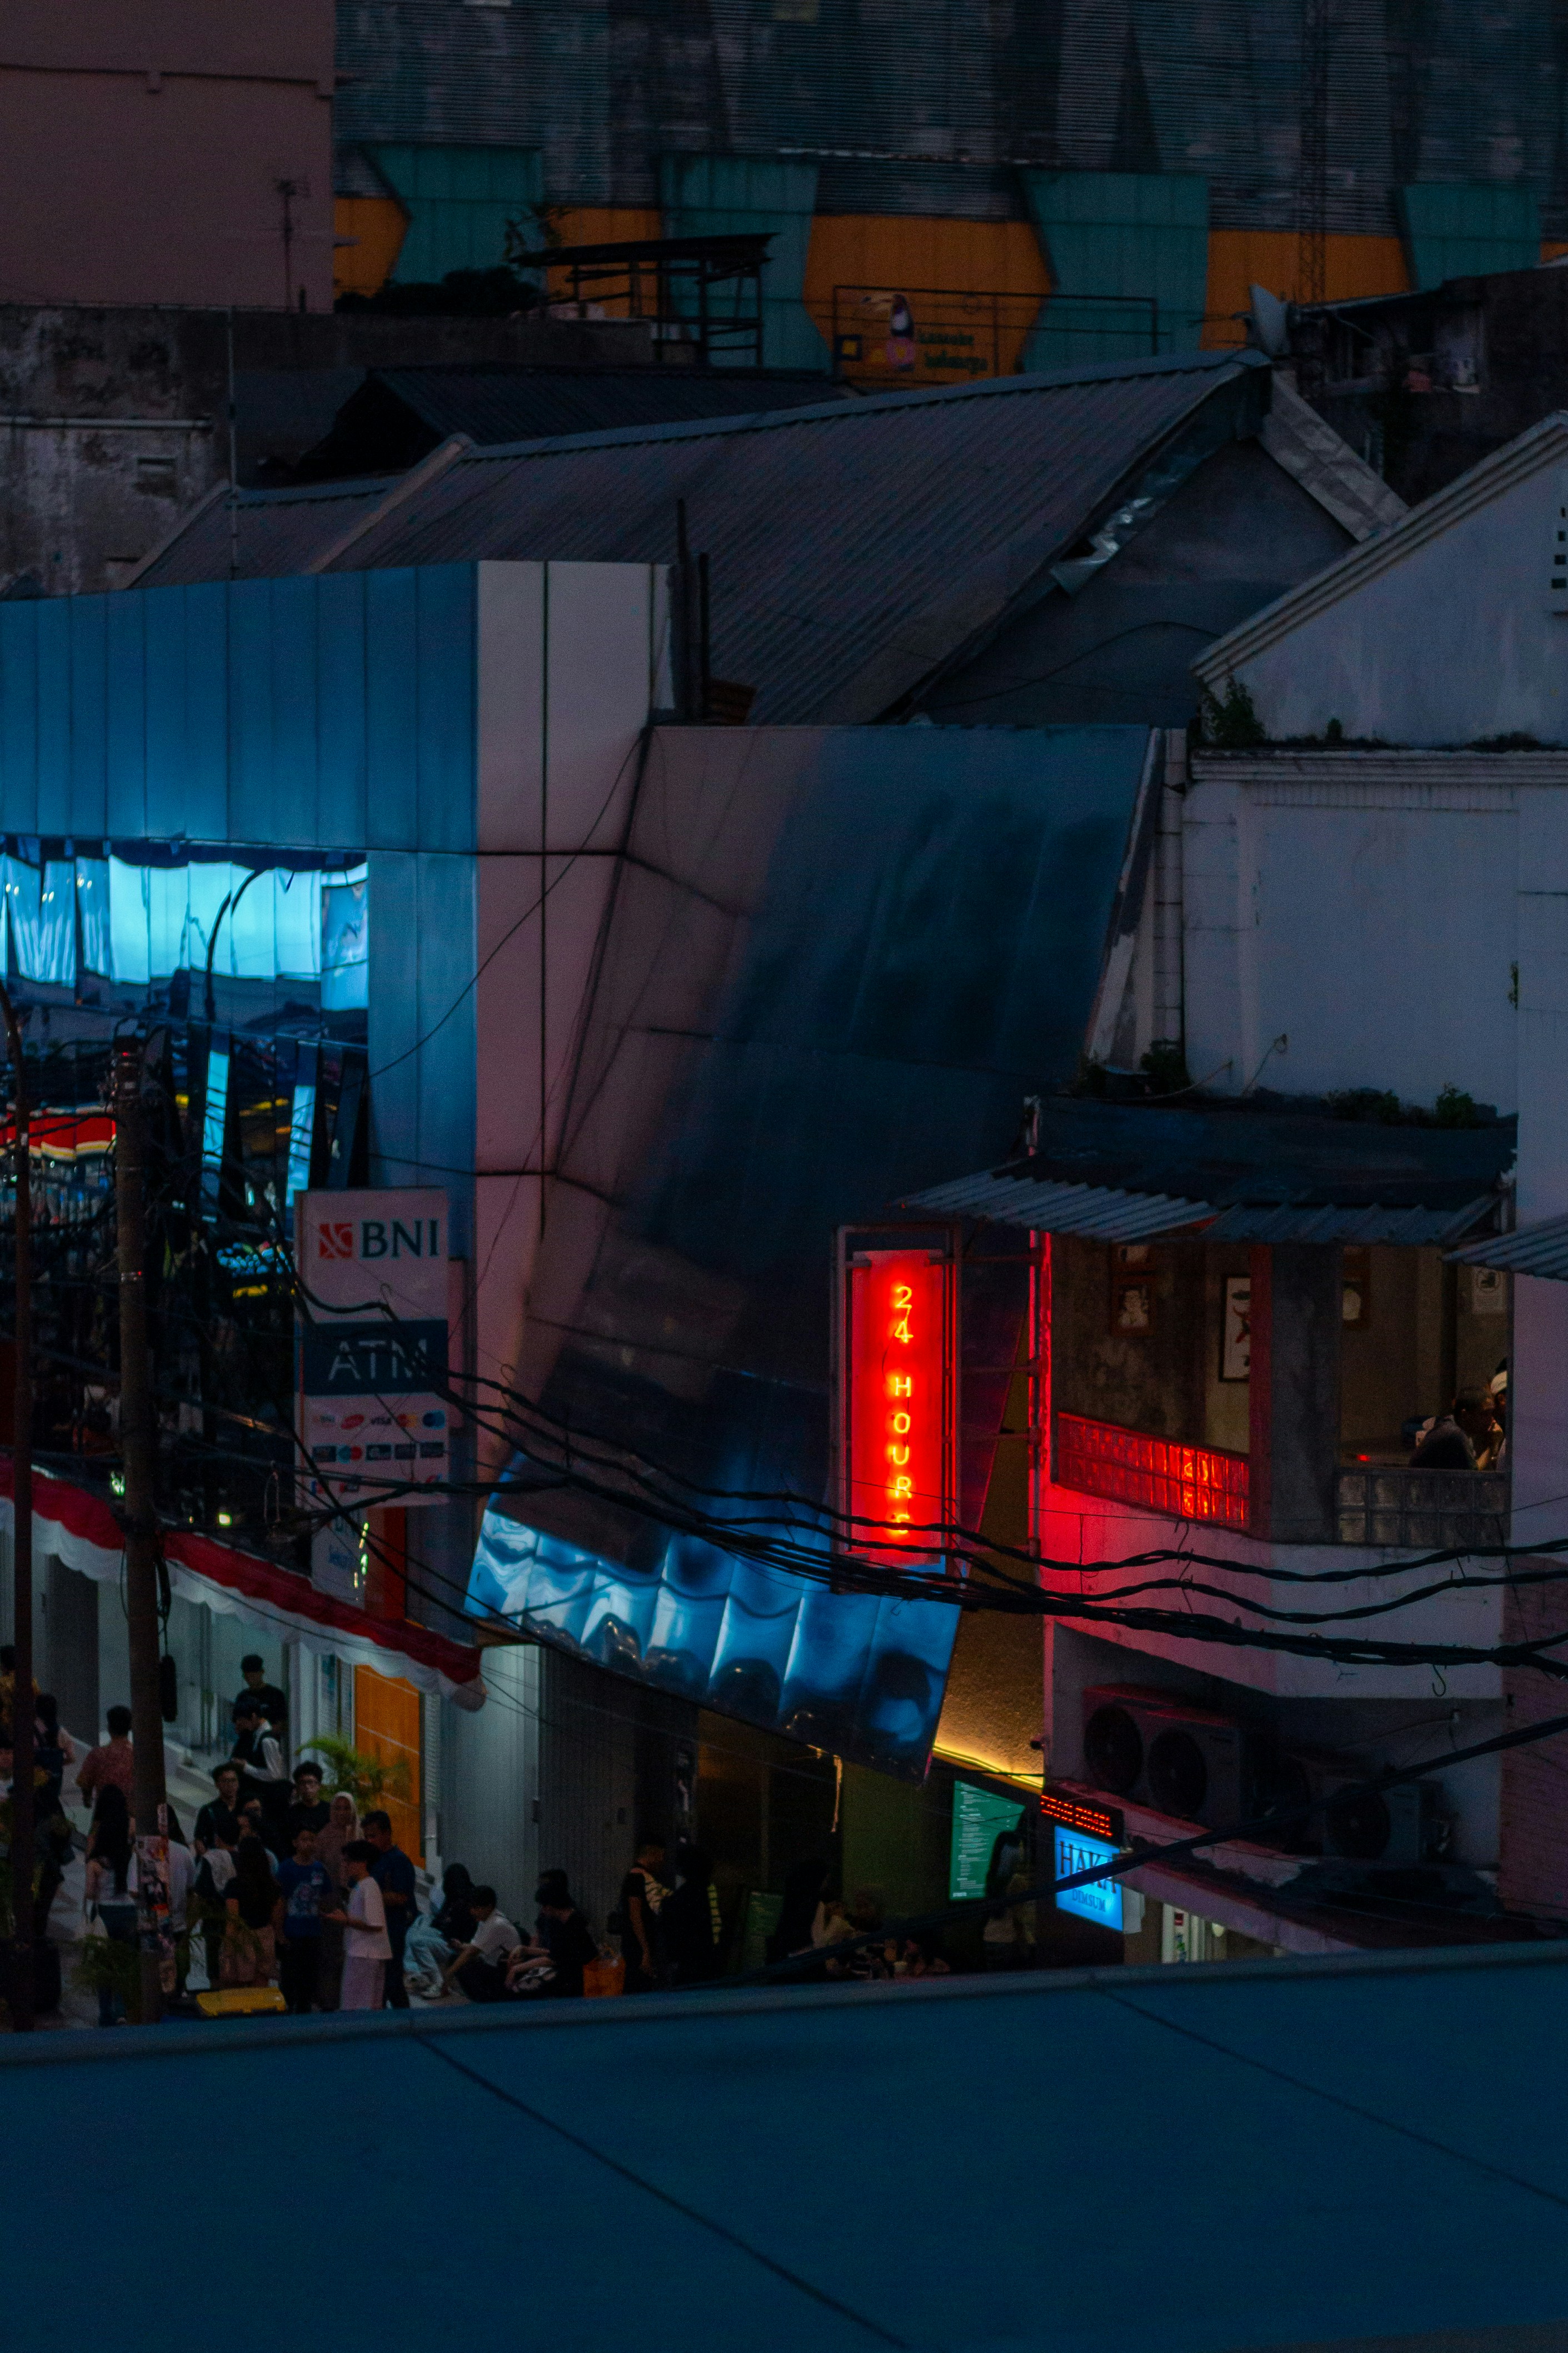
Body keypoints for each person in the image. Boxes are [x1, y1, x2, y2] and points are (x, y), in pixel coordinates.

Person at [84, 1784, 137, 2026]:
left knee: (104, 1966)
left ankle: (105, 2012)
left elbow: (89, 1893)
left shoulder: (96, 1862)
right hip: (128, 1912)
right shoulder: (131, 1857)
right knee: (125, 1963)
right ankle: (123, 2011)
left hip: (104, 1913)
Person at [508, 1873, 596, 2001]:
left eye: (544, 1907)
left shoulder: (573, 1924)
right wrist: (526, 1950)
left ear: (550, 1906)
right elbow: (556, 1953)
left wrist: (517, 1968)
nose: (543, 1911)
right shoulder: (562, 1920)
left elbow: (554, 1958)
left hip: (578, 1975)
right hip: (569, 1970)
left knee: (523, 1987)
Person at [274, 1825, 333, 2013]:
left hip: (313, 1931)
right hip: (293, 1931)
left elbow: (325, 1899)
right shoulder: (286, 1869)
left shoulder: (319, 1870)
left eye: (312, 1839)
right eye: (304, 1840)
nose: (308, 1844)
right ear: (295, 1843)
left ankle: (305, 2007)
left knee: (310, 1974)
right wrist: (279, 1932)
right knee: (290, 1974)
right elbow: (280, 1902)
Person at [363, 1808, 416, 2010]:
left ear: (387, 1834)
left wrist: (371, 1895)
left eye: (373, 1836)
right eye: (366, 1836)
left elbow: (402, 1896)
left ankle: (407, 2023)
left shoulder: (399, 1861)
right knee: (378, 1985)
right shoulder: (370, 1859)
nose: (369, 1841)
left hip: (392, 1929)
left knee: (392, 1981)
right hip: (373, 1929)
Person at [331, 1838, 392, 2010]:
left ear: (362, 1862)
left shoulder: (369, 1887)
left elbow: (375, 1924)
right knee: (367, 2003)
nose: (346, 1865)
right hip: (364, 1952)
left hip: (364, 1954)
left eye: (349, 1861)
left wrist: (346, 1920)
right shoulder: (362, 1887)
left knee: (357, 2003)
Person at [314, 1790, 358, 2011]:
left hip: (357, 1900)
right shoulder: (324, 1836)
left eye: (346, 1808)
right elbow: (317, 1867)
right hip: (331, 1901)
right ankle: (329, 2003)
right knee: (331, 1953)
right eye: (337, 1808)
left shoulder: (359, 1835)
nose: (342, 1813)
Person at [222, 1827, 281, 1987]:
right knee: (261, 1983)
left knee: (240, 1985)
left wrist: (227, 1949)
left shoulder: (235, 1886)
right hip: (265, 1935)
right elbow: (276, 1918)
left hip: (243, 1937)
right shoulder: (272, 1885)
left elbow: (233, 1919)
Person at [443, 1885, 521, 2003]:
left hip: (505, 1970)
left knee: (464, 1965)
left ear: (489, 1907)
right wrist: (460, 1946)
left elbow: (472, 1952)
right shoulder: (485, 1921)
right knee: (456, 1959)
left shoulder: (496, 1924)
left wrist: (449, 1973)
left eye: (476, 1908)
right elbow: (476, 1946)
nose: (472, 1912)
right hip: (492, 1965)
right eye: (472, 1908)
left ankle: (486, 2000)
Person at [659, 1844, 722, 1987]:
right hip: (711, 1962)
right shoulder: (710, 1890)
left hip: (690, 1965)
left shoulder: (682, 1898)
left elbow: (673, 1936)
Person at [229, 1698, 289, 1844]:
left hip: (271, 1800)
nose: (242, 1724)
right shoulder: (257, 1735)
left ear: (254, 1717)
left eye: (243, 1720)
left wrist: (246, 1768)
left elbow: (275, 1774)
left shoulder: (267, 1740)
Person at [617, 1836, 668, 1994]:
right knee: (639, 1987)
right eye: (661, 1856)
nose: (662, 1861)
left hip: (637, 1944)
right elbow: (636, 1916)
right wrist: (645, 1950)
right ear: (652, 1854)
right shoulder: (638, 1878)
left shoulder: (638, 1876)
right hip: (638, 1945)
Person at [1410, 1388, 1499, 1470]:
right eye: (1485, 1414)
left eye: (1492, 1413)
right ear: (1465, 1415)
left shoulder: (1456, 1427)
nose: (1492, 1420)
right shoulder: (1454, 1434)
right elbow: (1472, 1475)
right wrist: (1491, 1447)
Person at [77, 1704, 134, 1807]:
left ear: (109, 1728)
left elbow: (85, 1782)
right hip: (132, 1813)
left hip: (106, 1813)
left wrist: (87, 1799)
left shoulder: (98, 1754)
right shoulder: (137, 1755)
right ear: (130, 1728)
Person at [194, 1763, 244, 1856]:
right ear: (217, 1784)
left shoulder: (245, 1808)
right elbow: (199, 1839)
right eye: (225, 1781)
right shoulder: (208, 1810)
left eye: (233, 1780)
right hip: (218, 1858)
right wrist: (209, 1859)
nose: (230, 1785)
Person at [231, 1654, 287, 1732]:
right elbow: (237, 1725)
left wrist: (262, 1731)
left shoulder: (276, 1695)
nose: (250, 1680)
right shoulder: (242, 1697)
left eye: (253, 1676)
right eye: (247, 1677)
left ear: (262, 1672)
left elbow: (282, 1725)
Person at [285, 1762, 330, 1846]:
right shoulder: (292, 1813)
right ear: (297, 1787)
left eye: (311, 1782)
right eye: (302, 1783)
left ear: (319, 1785)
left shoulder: (330, 1810)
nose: (307, 1787)